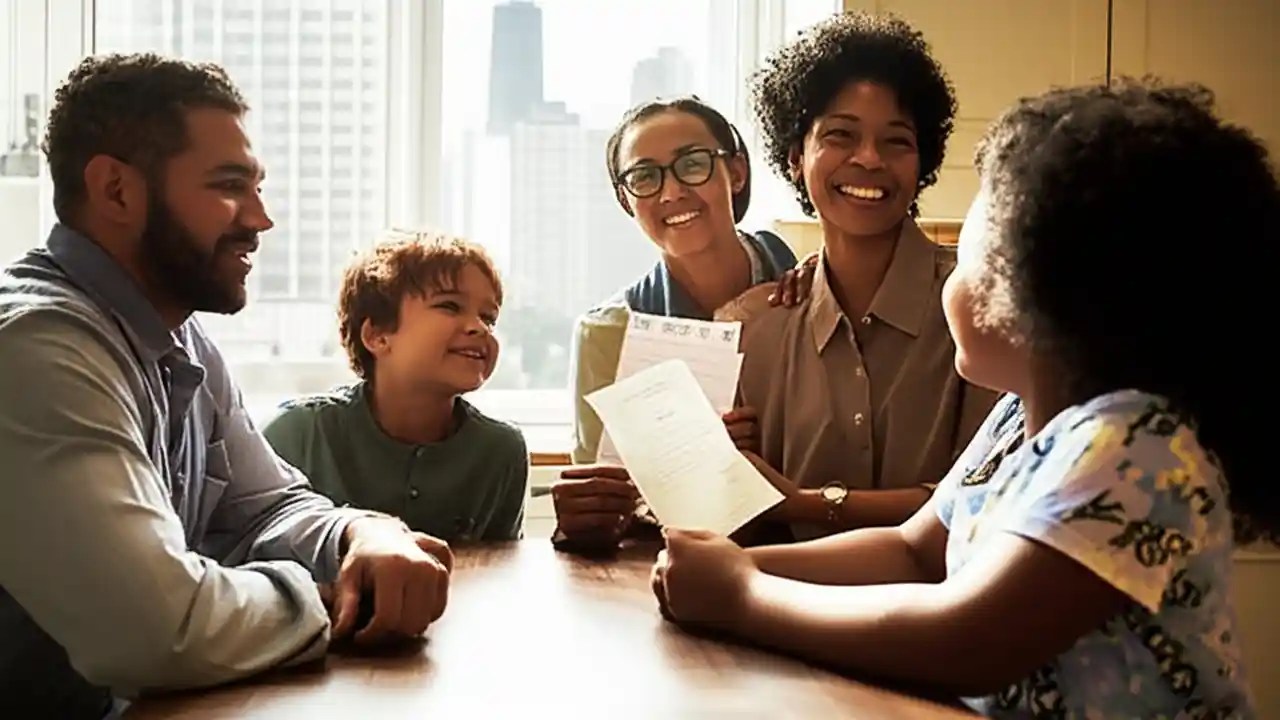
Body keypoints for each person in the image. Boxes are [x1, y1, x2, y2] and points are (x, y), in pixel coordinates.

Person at [651, 78, 1278, 718]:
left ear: (1042, 289)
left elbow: (968, 640)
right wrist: (737, 564)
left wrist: (742, 595)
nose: (950, 274)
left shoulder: (1136, 448)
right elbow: (911, 551)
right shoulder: (1015, 420)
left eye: (969, 257)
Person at [0, 54, 451, 719]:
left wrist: (361, 536)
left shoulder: (180, 338)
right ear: (116, 191)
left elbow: (266, 507)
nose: (261, 219)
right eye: (230, 185)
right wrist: (333, 599)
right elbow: (155, 632)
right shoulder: (37, 349)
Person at [728, 12, 999, 541]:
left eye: (897, 141)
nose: (870, 159)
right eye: (841, 135)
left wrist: (803, 504)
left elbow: (987, 499)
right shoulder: (755, 329)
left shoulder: (981, 306)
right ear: (795, 157)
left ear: (922, 163)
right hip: (777, 591)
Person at [555, 96, 815, 552]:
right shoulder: (607, 334)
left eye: (693, 164)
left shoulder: (812, 292)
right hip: (672, 565)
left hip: (819, 557)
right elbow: (606, 510)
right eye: (644, 176)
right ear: (625, 198)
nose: (671, 192)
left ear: (736, 172)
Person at [263, 230, 529, 542]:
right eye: (449, 306)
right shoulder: (299, 435)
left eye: (489, 317)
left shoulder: (501, 451)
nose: (478, 327)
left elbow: (499, 564)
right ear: (377, 336)